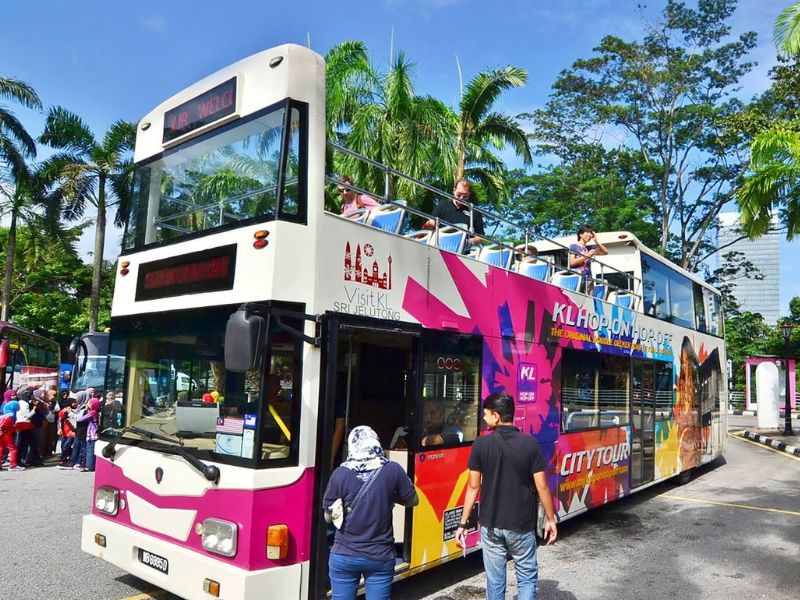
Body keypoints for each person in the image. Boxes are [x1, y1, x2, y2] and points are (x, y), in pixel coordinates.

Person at [456, 392, 557, 600]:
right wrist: (550, 519)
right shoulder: (530, 444)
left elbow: (473, 488)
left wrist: (463, 524)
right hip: (521, 524)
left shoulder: (480, 445)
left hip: (491, 524)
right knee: (527, 578)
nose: (483, 419)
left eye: (485, 414)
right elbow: (542, 487)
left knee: (495, 580)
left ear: (496, 415)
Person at [322, 426, 418, 600]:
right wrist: (389, 496)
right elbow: (413, 500)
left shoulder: (340, 473)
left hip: (344, 555)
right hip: (379, 556)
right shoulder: (393, 470)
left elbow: (328, 516)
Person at [423, 179, 485, 249]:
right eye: (458, 195)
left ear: (469, 194)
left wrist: (471, 241)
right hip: (440, 245)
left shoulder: (474, 212)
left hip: (463, 249)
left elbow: (481, 236)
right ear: (454, 190)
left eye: (465, 196)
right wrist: (430, 223)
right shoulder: (443, 205)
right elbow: (428, 225)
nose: (461, 198)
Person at [568, 224, 608, 293]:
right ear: (581, 234)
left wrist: (596, 241)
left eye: (591, 233)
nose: (589, 235)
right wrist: (587, 256)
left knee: (588, 300)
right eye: (587, 232)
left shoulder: (589, 248)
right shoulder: (573, 246)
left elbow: (605, 252)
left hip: (589, 279)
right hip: (578, 278)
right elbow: (572, 262)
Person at [0, 399, 22, 470]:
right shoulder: (10, 416)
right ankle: (13, 465)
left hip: (2, 435)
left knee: (1, 449)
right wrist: (14, 428)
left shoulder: (4, 415)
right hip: (6, 435)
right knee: (13, 449)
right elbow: (4, 426)